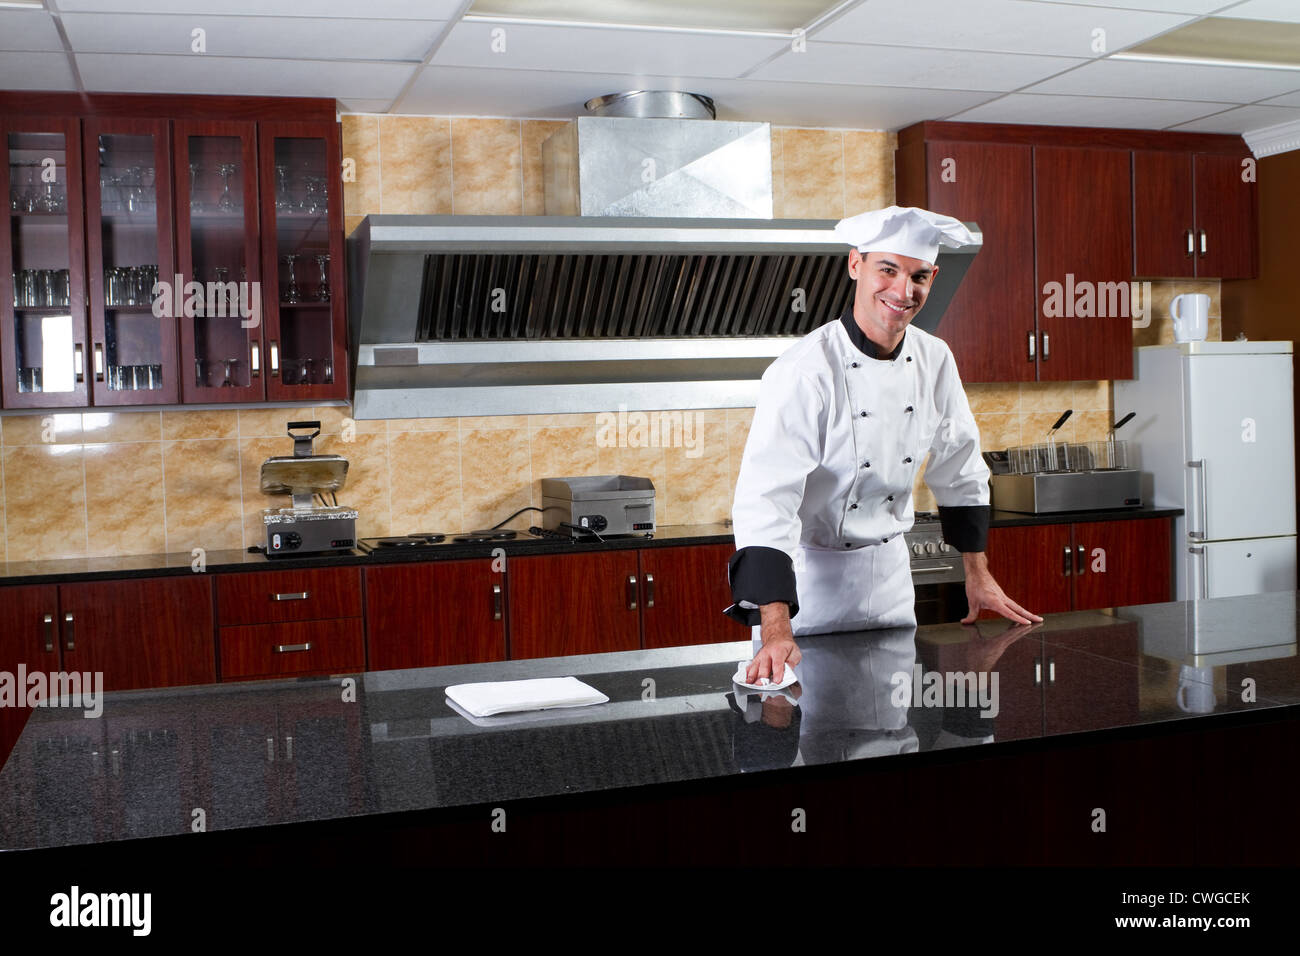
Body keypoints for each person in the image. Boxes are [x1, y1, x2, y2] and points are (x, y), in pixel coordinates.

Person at [725, 205, 1042, 684]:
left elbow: (959, 466)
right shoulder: (804, 371)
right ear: (856, 265)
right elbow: (766, 502)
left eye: (918, 276)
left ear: (933, 277)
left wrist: (977, 575)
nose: (902, 290)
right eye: (887, 270)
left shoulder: (935, 358)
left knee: (891, 736)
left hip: (892, 582)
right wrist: (774, 627)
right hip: (809, 591)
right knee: (801, 738)